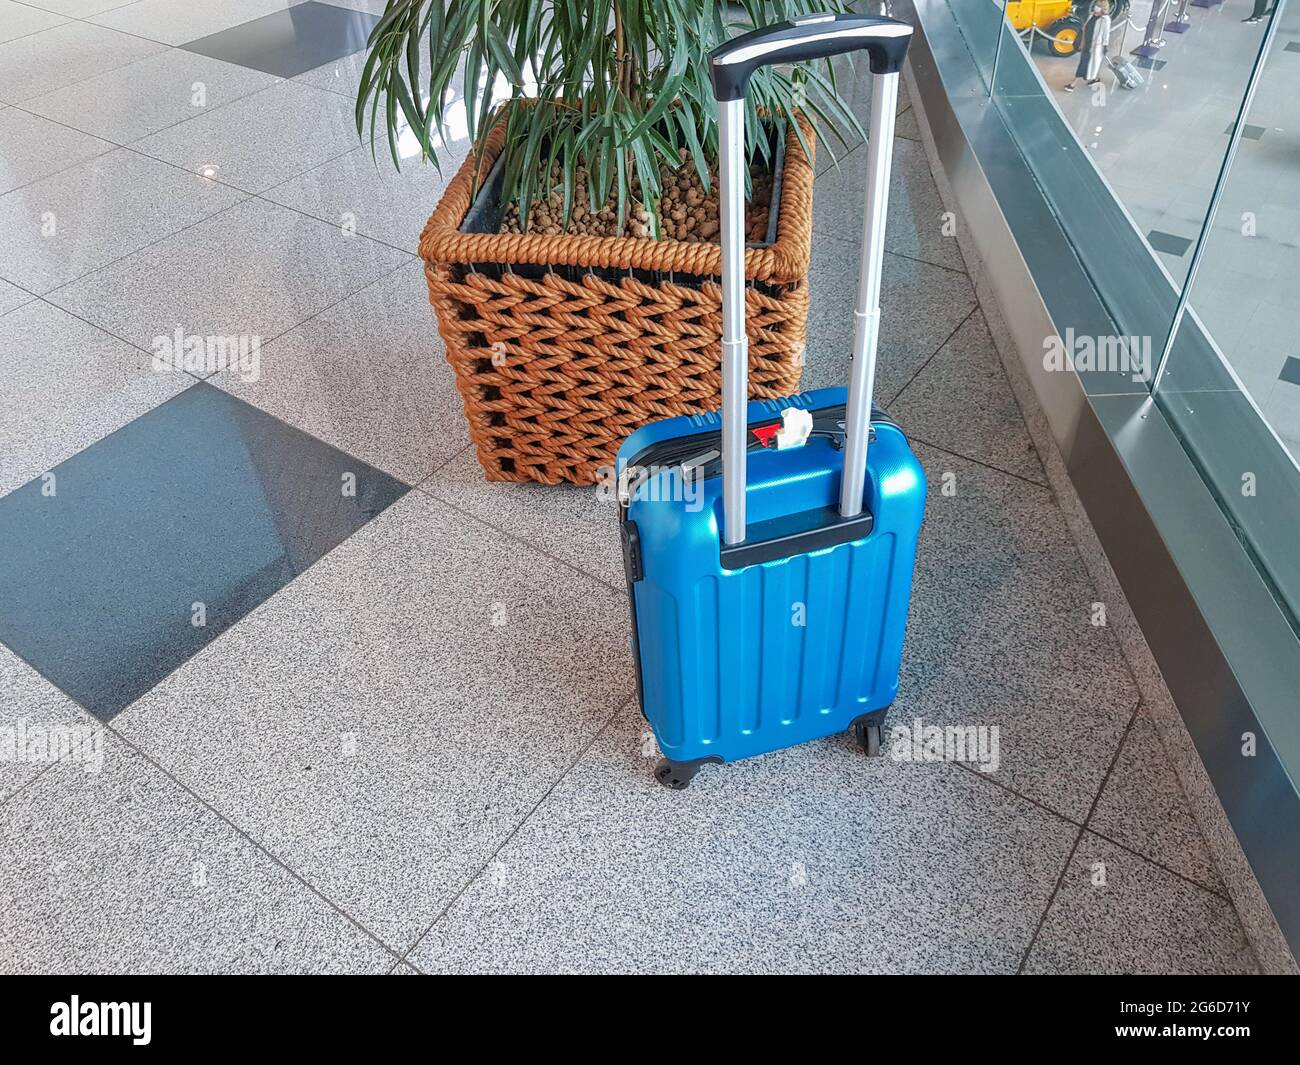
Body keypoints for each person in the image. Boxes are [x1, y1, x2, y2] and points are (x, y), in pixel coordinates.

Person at [1063, 0, 1113, 93]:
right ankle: (1094, 79)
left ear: (1103, 8)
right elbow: (1084, 29)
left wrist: (1105, 45)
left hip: (1095, 47)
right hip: (1087, 44)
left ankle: (1073, 84)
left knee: (1085, 64)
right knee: (1090, 64)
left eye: (1098, 6)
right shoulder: (1092, 15)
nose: (1096, 7)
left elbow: (1106, 34)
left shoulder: (1105, 20)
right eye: (1096, 5)